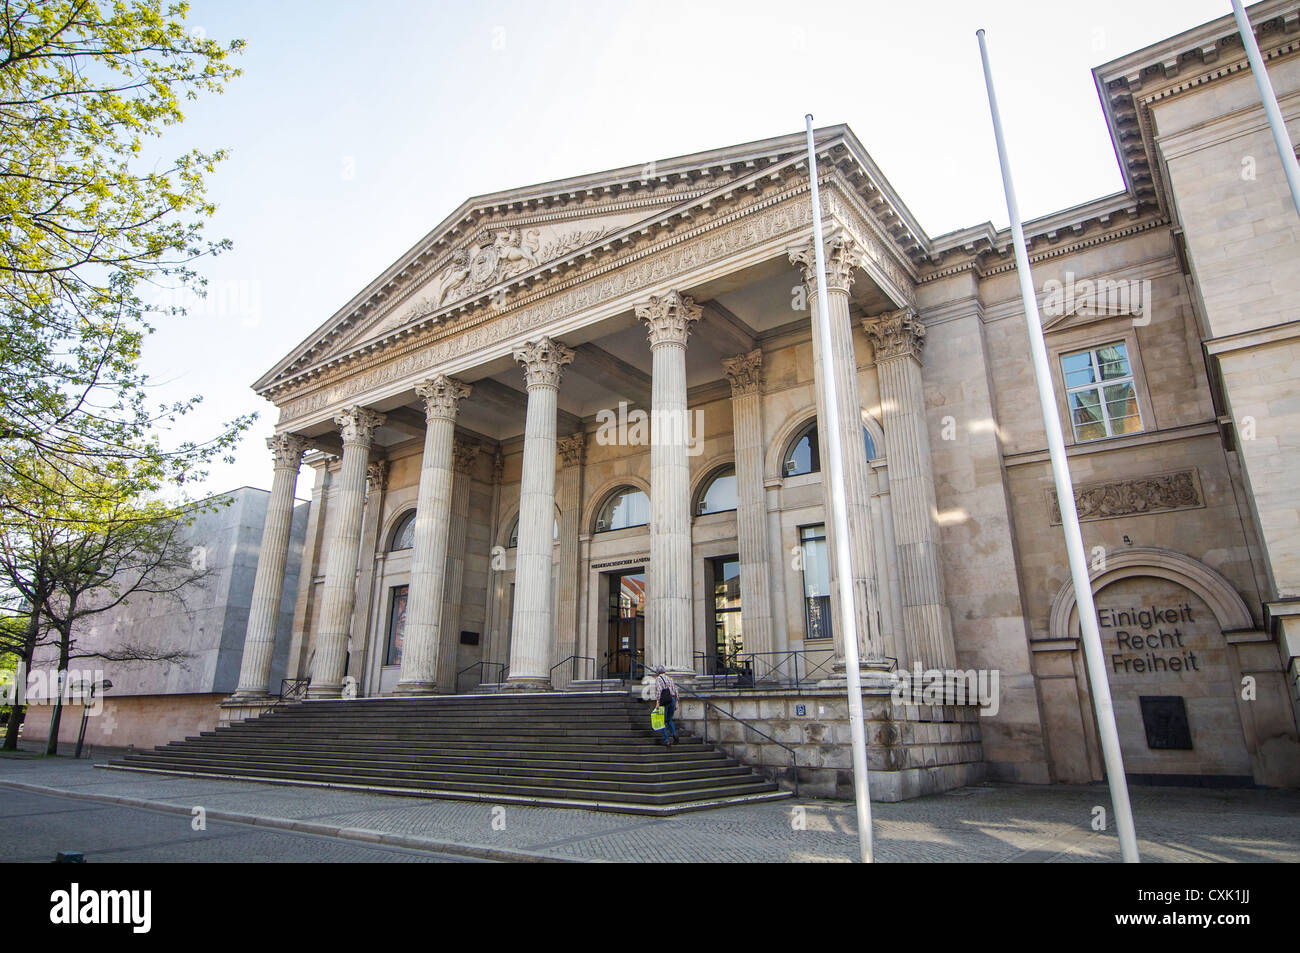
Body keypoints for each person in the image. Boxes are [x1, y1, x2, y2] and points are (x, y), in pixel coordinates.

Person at [652, 665, 679, 746]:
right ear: (664, 671)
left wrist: (657, 702)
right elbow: (676, 690)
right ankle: (674, 733)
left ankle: (666, 740)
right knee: (669, 719)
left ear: (657, 672)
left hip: (664, 700)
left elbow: (659, 690)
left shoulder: (658, 679)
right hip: (672, 699)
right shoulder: (670, 679)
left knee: (662, 721)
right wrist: (677, 702)